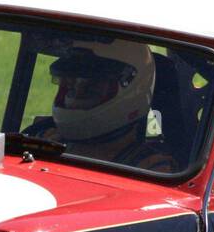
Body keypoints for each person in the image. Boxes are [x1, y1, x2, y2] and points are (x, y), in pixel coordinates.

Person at [25, 39, 176, 172]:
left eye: (93, 85)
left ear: (130, 84)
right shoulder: (43, 140)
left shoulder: (150, 167)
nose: (78, 88)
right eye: (70, 81)